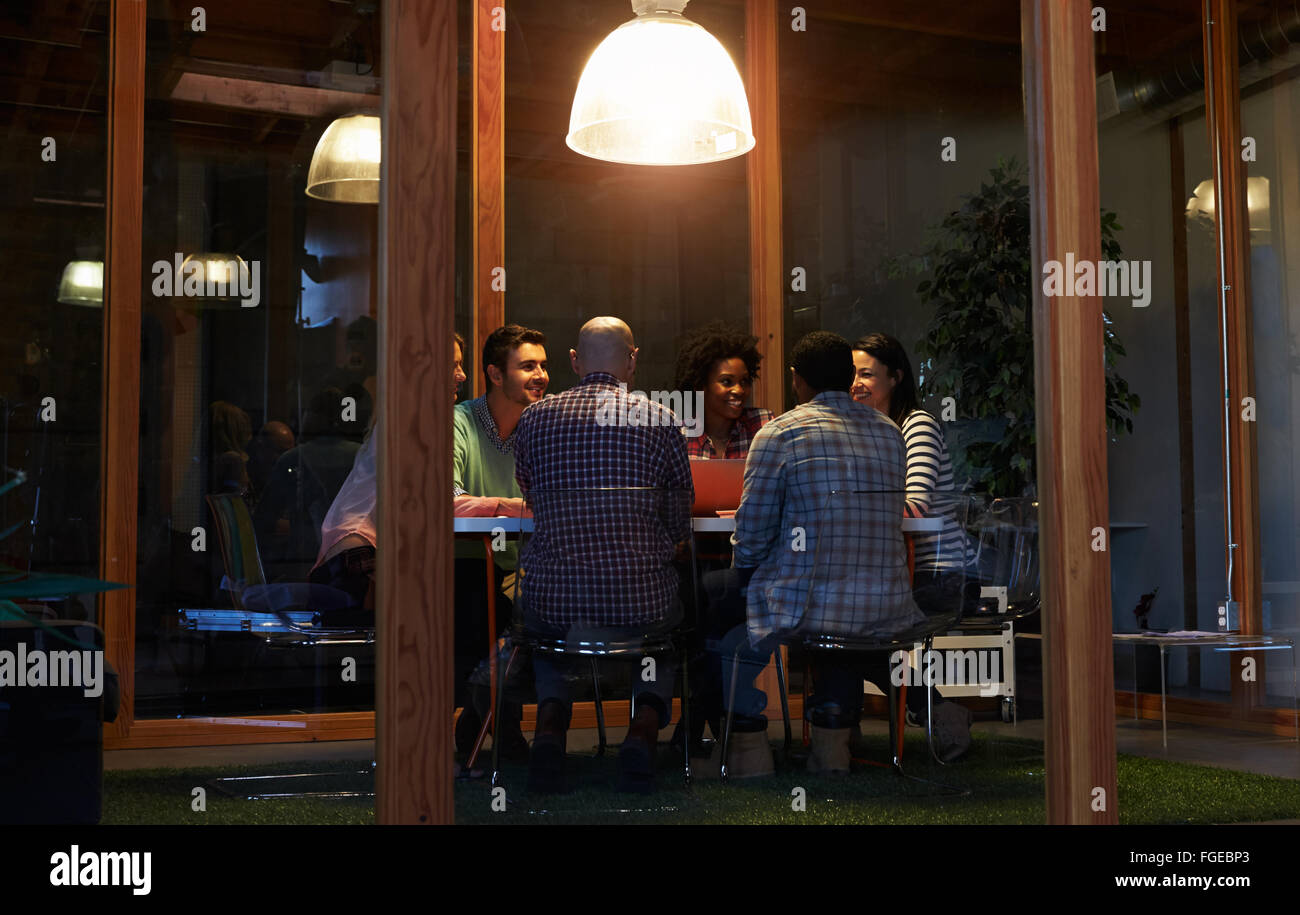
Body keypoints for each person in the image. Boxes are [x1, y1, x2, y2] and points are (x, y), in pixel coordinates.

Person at [702, 331, 924, 777]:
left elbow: (753, 531)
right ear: (847, 377)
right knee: (838, 617)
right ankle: (831, 748)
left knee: (710, 600)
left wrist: (747, 573)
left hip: (809, 600)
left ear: (797, 379)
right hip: (886, 602)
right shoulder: (889, 434)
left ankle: (746, 746)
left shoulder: (781, 432)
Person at [512, 316, 692, 794]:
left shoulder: (533, 418)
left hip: (556, 598)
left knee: (546, 632)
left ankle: (550, 728)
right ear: (632, 361)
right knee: (664, 634)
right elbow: (679, 515)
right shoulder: (661, 418)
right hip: (641, 601)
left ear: (574, 361)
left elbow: (530, 493)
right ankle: (643, 731)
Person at [852, 332, 973, 755]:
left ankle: (933, 711)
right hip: (895, 572)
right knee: (837, 624)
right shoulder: (869, 435)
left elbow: (914, 507)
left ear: (896, 377)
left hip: (937, 573)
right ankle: (929, 711)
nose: (855, 383)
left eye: (866, 373)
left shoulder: (916, 425)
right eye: (851, 373)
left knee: (853, 631)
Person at [451, 325, 549, 761]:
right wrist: (514, 506)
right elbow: (446, 501)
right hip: (458, 562)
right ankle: (505, 734)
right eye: (528, 365)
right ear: (494, 373)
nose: (541, 375)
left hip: (523, 567)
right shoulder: (458, 422)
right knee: (484, 598)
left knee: (549, 602)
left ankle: (486, 724)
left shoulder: (545, 425)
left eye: (544, 365)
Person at [672, 322, 772, 458]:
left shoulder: (762, 425)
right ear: (700, 385)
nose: (739, 390)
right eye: (726, 381)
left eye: (744, 381)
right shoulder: (680, 437)